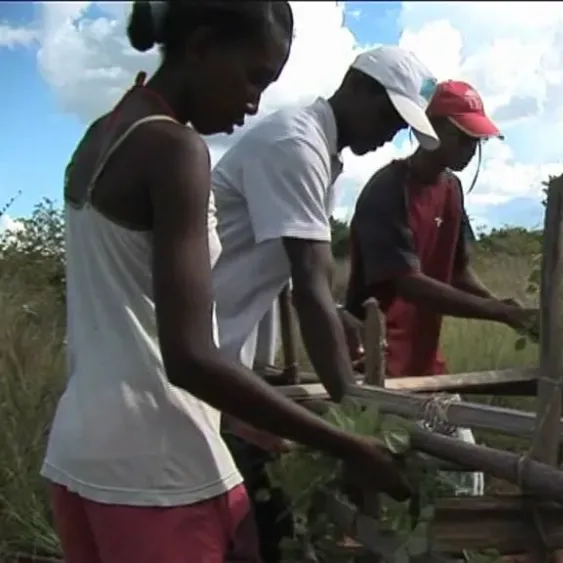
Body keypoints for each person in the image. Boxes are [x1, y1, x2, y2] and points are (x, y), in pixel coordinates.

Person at [42, 3, 410, 562]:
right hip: (159, 467)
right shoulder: (175, 150)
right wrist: (348, 442)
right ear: (203, 45)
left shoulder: (106, 133)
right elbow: (188, 357)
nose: (255, 102)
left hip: (79, 455)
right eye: (253, 77)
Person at [209, 45, 440, 562]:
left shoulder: (320, 153)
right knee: (241, 531)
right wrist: (355, 424)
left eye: (400, 126)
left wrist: (335, 318)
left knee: (261, 521)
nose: (388, 135)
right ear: (356, 87)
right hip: (192, 364)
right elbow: (312, 286)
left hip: (218, 365)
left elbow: (291, 275)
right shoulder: (296, 145)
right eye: (388, 114)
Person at [344, 80, 539, 495]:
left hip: (425, 367)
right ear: (430, 129)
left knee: (459, 477)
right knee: (412, 480)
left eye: (476, 140)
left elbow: (457, 272)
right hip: (376, 365)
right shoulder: (386, 191)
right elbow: (408, 284)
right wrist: (500, 313)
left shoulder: (451, 189)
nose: (472, 149)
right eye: (464, 137)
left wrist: (506, 308)